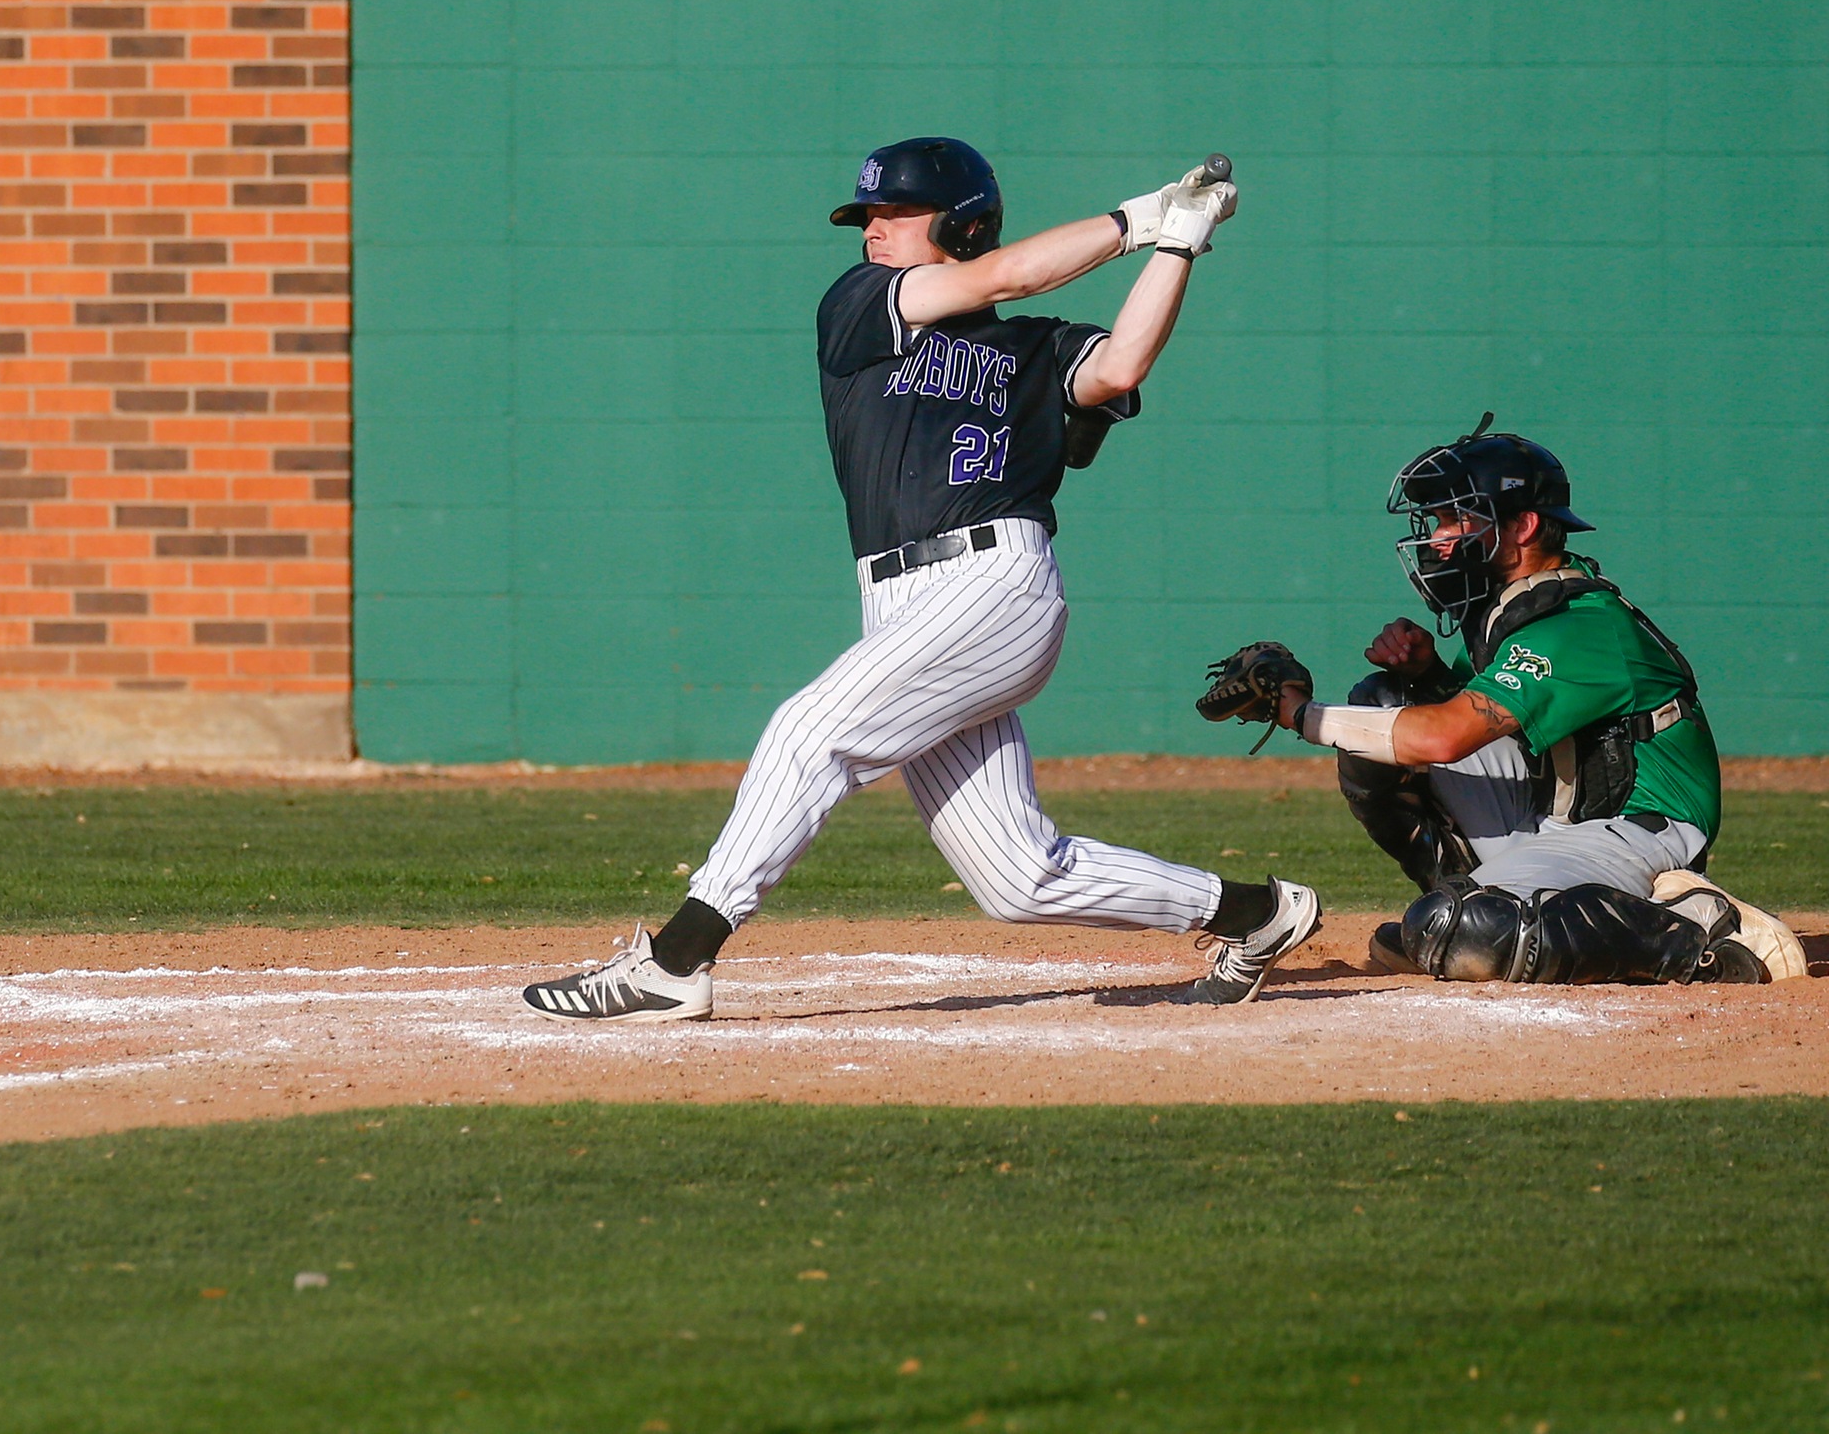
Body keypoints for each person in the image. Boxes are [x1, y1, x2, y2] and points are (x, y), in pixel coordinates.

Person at [520, 136, 1325, 1022]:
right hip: (901, 603)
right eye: (869, 214)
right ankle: (1256, 913)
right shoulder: (861, 303)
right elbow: (1000, 277)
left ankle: (673, 962)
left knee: (806, 732)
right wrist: (1135, 219)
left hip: (995, 585)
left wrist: (1177, 240)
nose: (874, 228)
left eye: (897, 214)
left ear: (961, 222)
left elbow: (1120, 364)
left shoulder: (1035, 348)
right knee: (1019, 875)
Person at [1235, 419, 1803, 984]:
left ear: (1524, 526)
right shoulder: (1511, 612)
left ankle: (1696, 935)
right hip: (1558, 818)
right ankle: (1467, 908)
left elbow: (1444, 737)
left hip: (1638, 827)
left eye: (1455, 518)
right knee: (1386, 700)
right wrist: (1427, 674)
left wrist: (1293, 713)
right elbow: (1454, 721)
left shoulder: (1576, 626)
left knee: (1457, 931)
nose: (1437, 538)